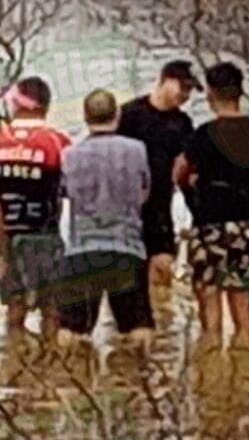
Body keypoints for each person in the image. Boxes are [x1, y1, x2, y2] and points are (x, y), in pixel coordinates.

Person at [174, 62, 249, 351]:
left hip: (209, 225)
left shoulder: (204, 134)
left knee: (209, 307)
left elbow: (179, 172)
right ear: (240, 92)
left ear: (211, 94)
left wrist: (193, 187)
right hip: (245, 227)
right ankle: (244, 366)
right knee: (242, 303)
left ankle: (213, 374)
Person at [58, 90, 154, 355]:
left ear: (85, 117)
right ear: (118, 114)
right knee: (137, 327)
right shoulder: (137, 150)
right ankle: (137, 385)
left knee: (72, 331)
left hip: (82, 249)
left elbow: (64, 193)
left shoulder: (70, 154)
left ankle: (70, 387)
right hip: (127, 246)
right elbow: (144, 193)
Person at [119, 60, 202, 302]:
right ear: (164, 80)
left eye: (189, 91)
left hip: (161, 209)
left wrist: (197, 211)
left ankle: (165, 333)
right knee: (126, 285)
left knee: (163, 273)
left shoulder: (183, 124)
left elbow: (187, 171)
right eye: (182, 88)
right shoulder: (128, 116)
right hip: (127, 211)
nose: (185, 95)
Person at [0, 77, 71, 347]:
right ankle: (50, 367)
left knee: (14, 310)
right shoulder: (58, 141)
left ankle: (16, 367)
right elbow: (71, 190)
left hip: (6, 239)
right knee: (51, 308)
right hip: (45, 235)